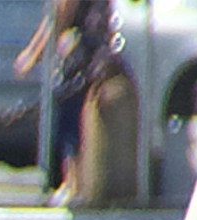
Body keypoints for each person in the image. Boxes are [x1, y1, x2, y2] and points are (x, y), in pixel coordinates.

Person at [23, 0, 133, 206]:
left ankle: (74, 183)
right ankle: (78, 184)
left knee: (71, 117)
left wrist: (33, 55)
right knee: (77, 116)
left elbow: (61, 14)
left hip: (86, 54)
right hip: (101, 51)